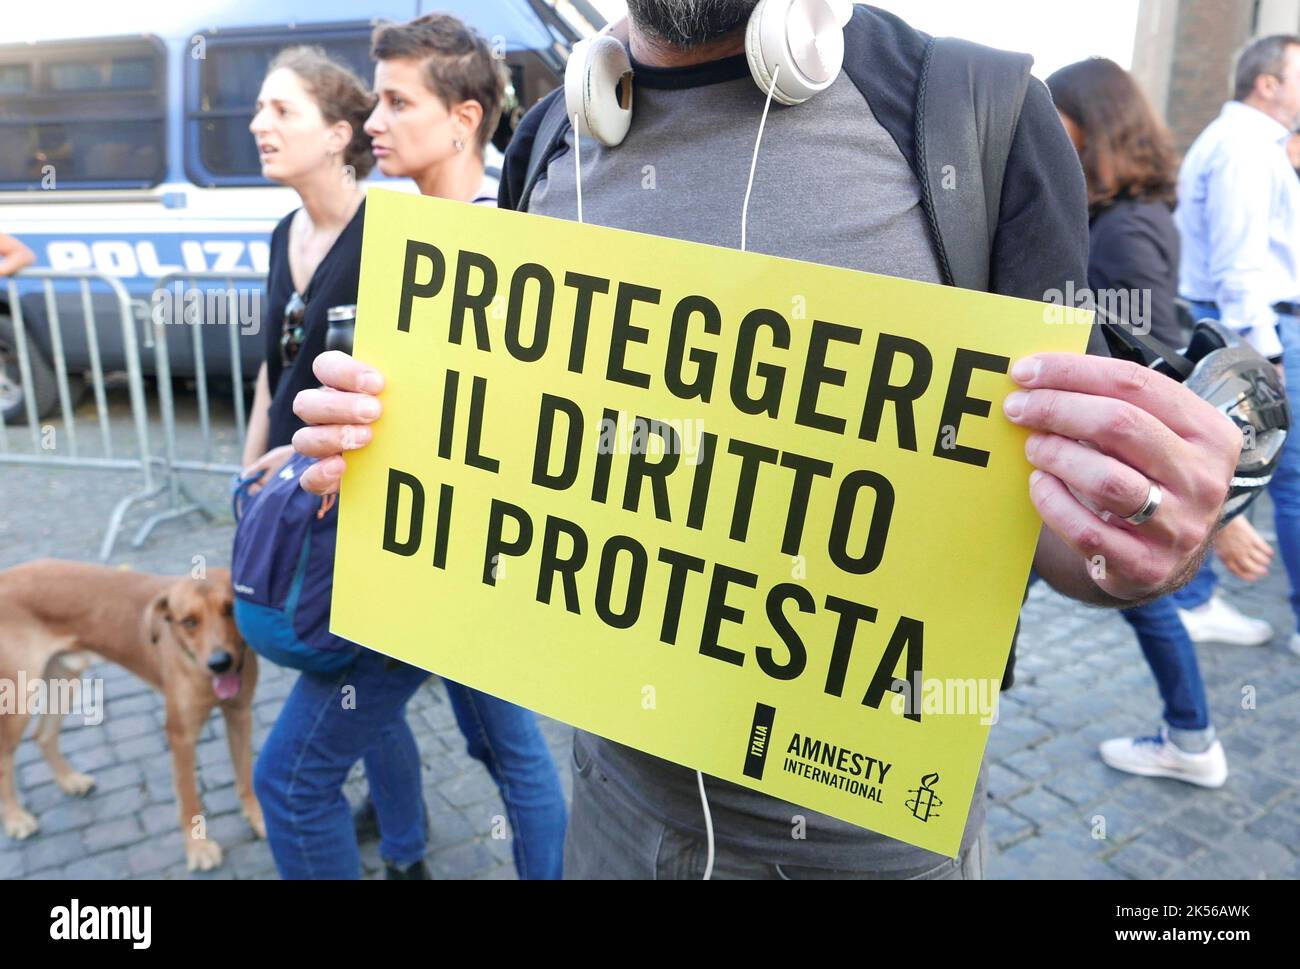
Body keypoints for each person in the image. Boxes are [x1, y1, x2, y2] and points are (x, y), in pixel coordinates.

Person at [291, 1, 1240, 879]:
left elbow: (1055, 533)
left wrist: (1141, 537)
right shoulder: (547, 140)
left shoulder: (974, 117)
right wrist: (387, 441)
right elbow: (521, 454)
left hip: (873, 839)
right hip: (610, 816)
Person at [244, 33, 567, 881]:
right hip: (399, 549)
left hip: (462, 560)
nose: (372, 121)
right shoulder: (397, 228)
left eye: (397, 103)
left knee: (509, 752)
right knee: (496, 742)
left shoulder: (511, 238)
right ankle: (407, 849)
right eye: (374, 100)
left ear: (465, 120)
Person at [1046, 57, 1265, 785]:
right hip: (1106, 455)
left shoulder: (1126, 230)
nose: (1047, 133)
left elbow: (1159, 367)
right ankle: (1190, 732)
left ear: (1093, 124)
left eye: (1059, 118)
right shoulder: (1123, 215)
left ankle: (1193, 734)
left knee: (1141, 594)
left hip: (1121, 462)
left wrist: (1217, 512)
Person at [1172, 34, 1300, 656]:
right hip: (1256, 326)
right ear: (1267, 83)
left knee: (1244, 471)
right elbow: (1239, 265)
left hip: (1256, 324)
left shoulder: (1255, 145)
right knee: (1279, 477)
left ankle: (1196, 599)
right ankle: (1195, 600)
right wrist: (1267, 353)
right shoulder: (1246, 149)